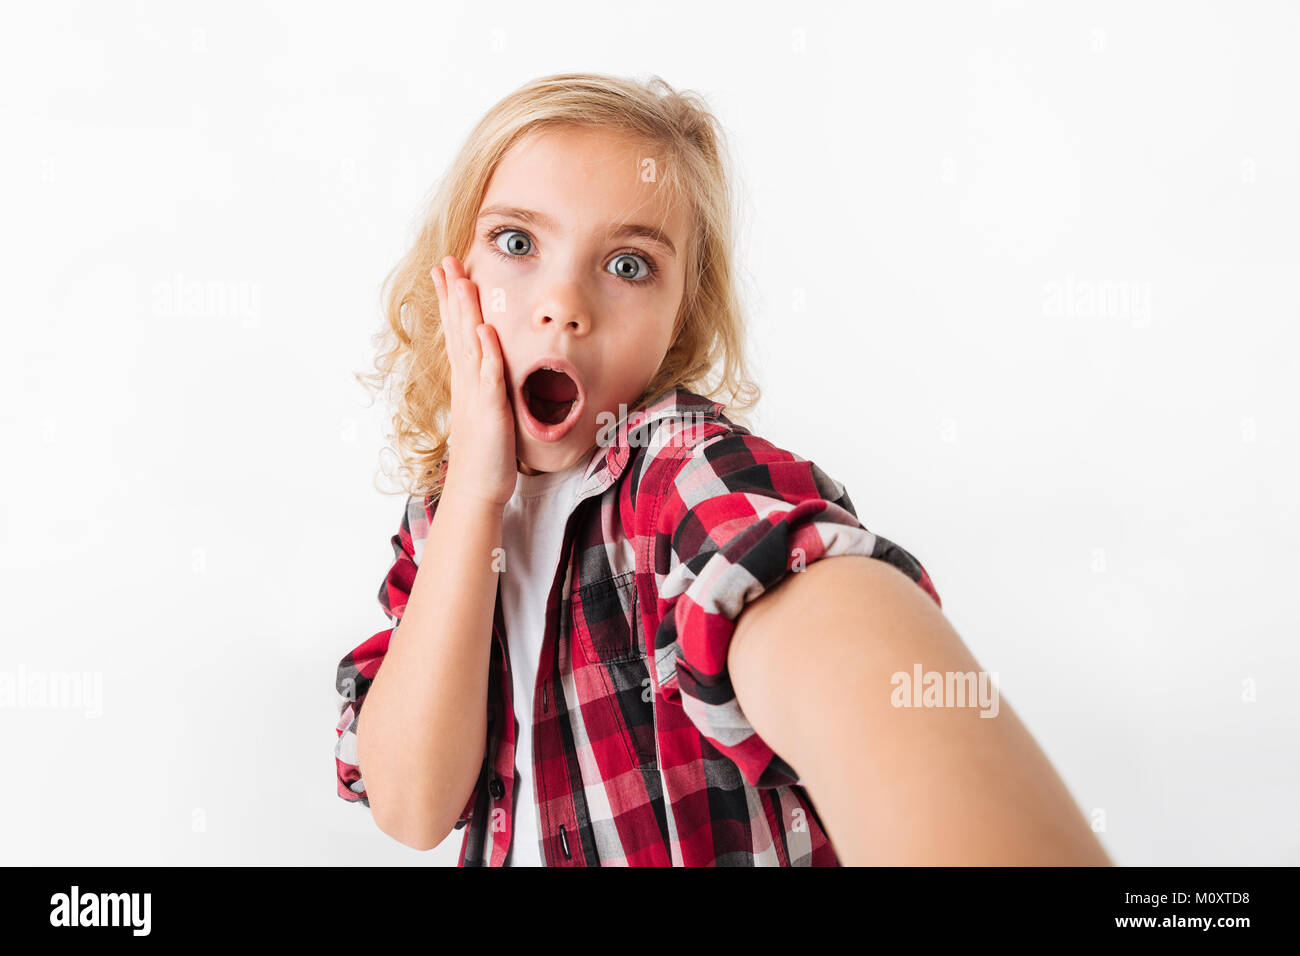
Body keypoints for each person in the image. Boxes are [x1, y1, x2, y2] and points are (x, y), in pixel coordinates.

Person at [333, 72, 1112, 866]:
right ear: (454, 273)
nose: (563, 303)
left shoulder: (681, 476)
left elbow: (769, 564)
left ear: (682, 318)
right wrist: (473, 492)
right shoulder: (439, 527)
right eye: (518, 243)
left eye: (629, 264)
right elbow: (411, 803)